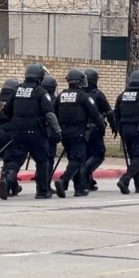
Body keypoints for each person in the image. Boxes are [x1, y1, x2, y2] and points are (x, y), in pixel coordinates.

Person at [0, 63, 62, 200]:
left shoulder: (17, 90)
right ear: (39, 77)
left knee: (15, 160)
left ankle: (6, 180)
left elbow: (7, 112)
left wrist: (17, 123)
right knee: (42, 161)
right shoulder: (40, 92)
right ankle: (42, 191)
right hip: (36, 133)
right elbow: (49, 113)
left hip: (17, 133)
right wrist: (57, 130)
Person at [53, 69, 105, 198]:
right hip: (79, 133)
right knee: (78, 159)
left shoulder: (61, 96)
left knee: (74, 160)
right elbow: (95, 115)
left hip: (64, 134)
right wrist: (102, 127)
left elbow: (53, 112)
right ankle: (63, 180)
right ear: (81, 81)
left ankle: (79, 188)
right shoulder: (83, 96)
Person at [81, 67, 117, 192]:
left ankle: (87, 180)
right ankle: (85, 172)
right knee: (98, 154)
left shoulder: (79, 94)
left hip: (80, 130)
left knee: (86, 155)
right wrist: (114, 126)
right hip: (94, 129)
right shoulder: (97, 94)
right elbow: (109, 112)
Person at [0, 78, 22, 197]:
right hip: (11, 135)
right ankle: (4, 181)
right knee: (14, 161)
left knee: (7, 160)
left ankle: (13, 187)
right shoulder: (15, 104)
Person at [41, 74, 60, 191]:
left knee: (43, 159)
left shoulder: (41, 98)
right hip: (51, 134)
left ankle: (43, 183)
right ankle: (46, 184)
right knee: (49, 159)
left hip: (41, 133)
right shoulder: (54, 101)